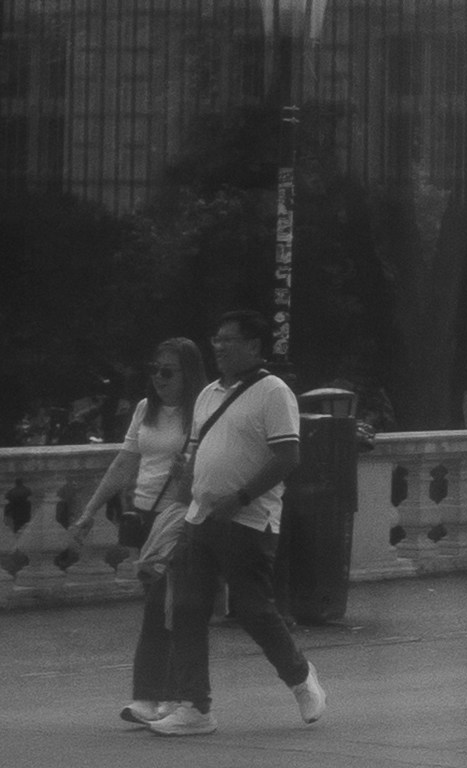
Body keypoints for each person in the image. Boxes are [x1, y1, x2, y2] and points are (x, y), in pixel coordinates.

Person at [172, 308, 329, 727]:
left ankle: (300, 678)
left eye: (229, 340)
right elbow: (196, 450)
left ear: (254, 346)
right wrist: (185, 490)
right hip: (200, 517)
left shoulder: (274, 392)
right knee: (187, 608)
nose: (219, 347)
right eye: (217, 339)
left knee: (253, 610)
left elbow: (288, 456)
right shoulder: (208, 394)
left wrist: (240, 497)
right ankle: (195, 706)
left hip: (248, 520)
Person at [89, 334, 207, 732]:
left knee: (166, 606)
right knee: (159, 607)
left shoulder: (201, 413)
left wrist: (188, 479)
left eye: (168, 371)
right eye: (154, 370)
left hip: (176, 517)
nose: (158, 378)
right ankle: (156, 695)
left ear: (188, 374)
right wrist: (89, 510)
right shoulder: (146, 408)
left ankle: (163, 696)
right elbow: (124, 462)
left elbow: (209, 467)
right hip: (144, 517)